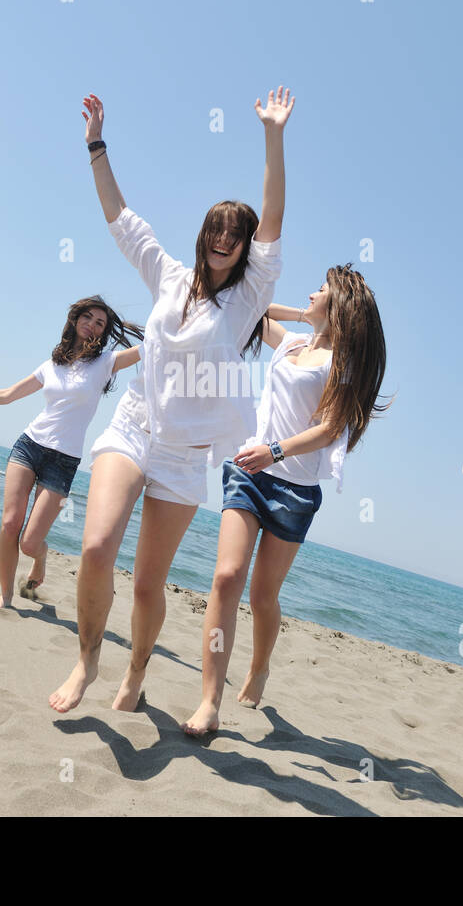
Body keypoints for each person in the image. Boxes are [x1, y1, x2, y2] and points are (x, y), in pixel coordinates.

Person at [48, 87, 293, 713]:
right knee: (98, 546)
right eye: (215, 228)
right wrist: (96, 144)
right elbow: (119, 215)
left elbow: (273, 220)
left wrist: (273, 134)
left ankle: (136, 672)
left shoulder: (248, 298)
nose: (224, 239)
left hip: (184, 458)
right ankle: (88, 660)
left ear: (244, 247)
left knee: (149, 585)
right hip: (134, 427)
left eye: (235, 234)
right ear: (203, 234)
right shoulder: (167, 275)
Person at [180, 268, 388, 735]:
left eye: (322, 290)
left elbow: (332, 429)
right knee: (227, 577)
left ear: (339, 307)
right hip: (248, 470)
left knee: (262, 594)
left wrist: (275, 451)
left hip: (294, 488)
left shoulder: (342, 365)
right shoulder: (293, 343)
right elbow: (254, 309)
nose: (310, 291)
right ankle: (209, 701)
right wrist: (309, 316)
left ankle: (259, 667)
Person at [0, 297, 141, 607]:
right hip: (29, 446)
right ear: (75, 320)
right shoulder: (51, 365)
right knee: (9, 524)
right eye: (87, 317)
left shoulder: (106, 362)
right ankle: (5, 597)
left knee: (30, 542)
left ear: (103, 333)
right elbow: (7, 395)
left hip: (64, 461)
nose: (92, 325)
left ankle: (40, 557)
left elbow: (150, 349)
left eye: (100, 323)